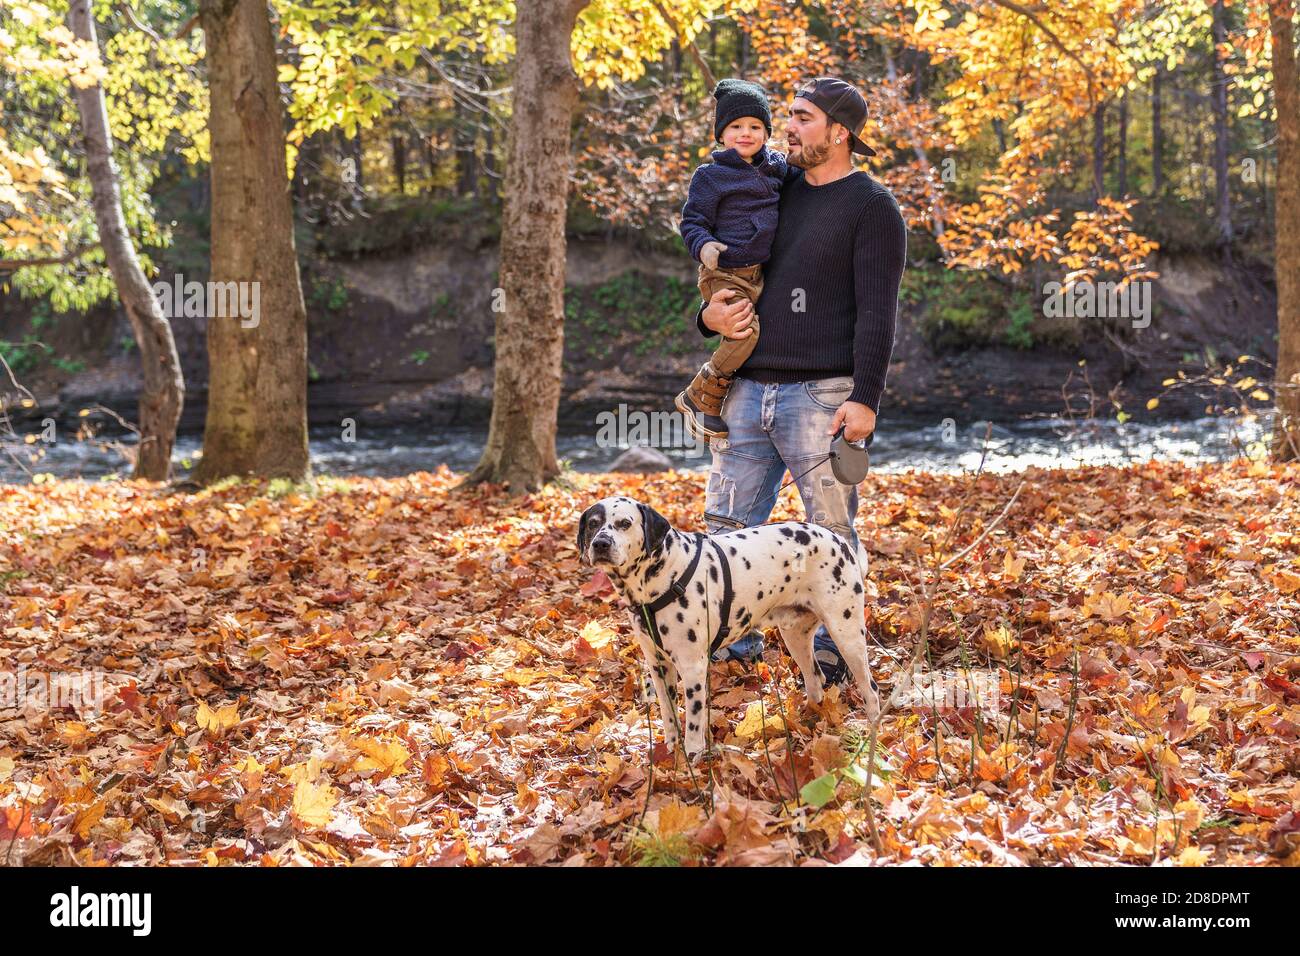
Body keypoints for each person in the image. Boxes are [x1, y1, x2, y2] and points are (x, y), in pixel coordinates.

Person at [695, 77, 907, 683]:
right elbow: (728, 273)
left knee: (833, 533)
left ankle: (838, 654)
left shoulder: (872, 208)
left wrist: (865, 398)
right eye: (786, 115)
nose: (786, 127)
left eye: (802, 118)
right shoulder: (771, 188)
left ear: (839, 132)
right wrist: (707, 317)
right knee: (727, 529)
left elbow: (877, 314)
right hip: (745, 388)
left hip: (825, 395)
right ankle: (729, 644)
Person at [675, 78, 787, 442]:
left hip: (756, 272)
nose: (746, 133)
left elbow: (799, 173)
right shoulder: (711, 176)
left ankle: (708, 393)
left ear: (767, 133)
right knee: (744, 329)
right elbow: (692, 221)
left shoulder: (775, 168)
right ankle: (702, 393)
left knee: (753, 326)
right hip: (723, 270)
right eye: (736, 126)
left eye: (755, 127)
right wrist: (704, 246)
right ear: (721, 135)